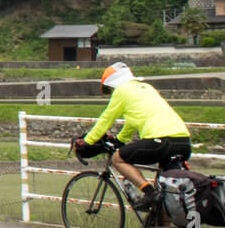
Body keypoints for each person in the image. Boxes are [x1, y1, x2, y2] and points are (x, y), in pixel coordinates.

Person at [72, 61, 191, 211]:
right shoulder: (147, 87)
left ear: (112, 83)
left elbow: (106, 119)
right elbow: (133, 122)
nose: (110, 93)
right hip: (183, 141)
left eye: (109, 90)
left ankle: (148, 192)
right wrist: (119, 140)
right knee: (164, 192)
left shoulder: (121, 91)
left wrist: (87, 141)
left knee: (117, 159)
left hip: (160, 140)